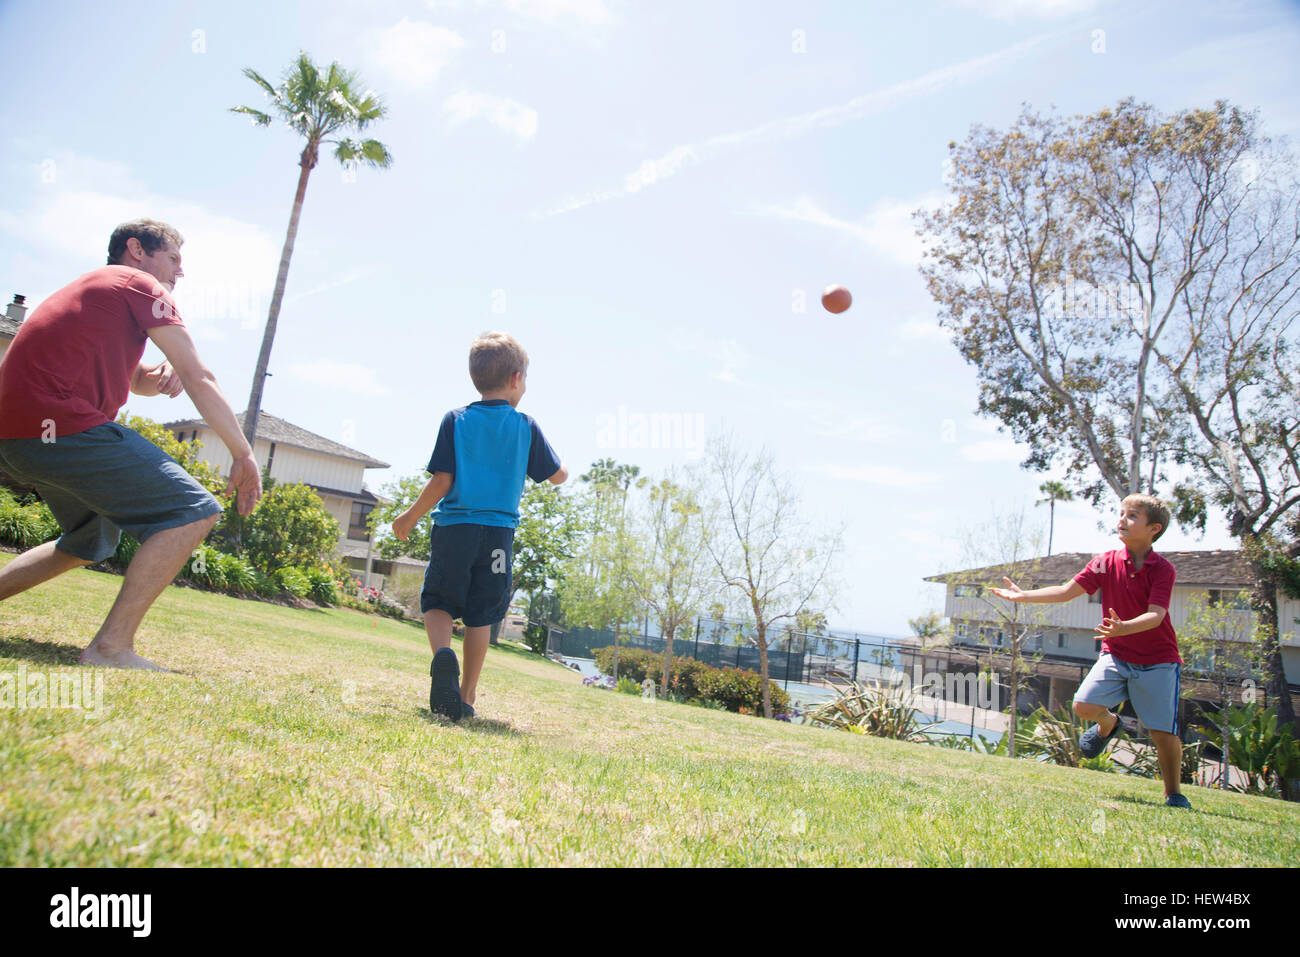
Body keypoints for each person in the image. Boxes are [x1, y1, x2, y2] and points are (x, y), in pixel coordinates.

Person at [0, 219, 262, 670]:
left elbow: (133, 379)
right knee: (193, 509)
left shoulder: (99, 290)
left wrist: (151, 381)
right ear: (137, 250)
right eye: (174, 259)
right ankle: (110, 648)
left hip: (22, 435)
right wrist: (243, 453)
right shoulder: (137, 282)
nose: (180, 272)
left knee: (90, 539)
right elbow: (199, 376)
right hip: (62, 426)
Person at [392, 331, 566, 722]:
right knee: (481, 615)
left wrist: (410, 515)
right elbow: (556, 476)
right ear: (517, 378)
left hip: (455, 528)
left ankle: (442, 656)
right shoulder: (526, 425)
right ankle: (467, 696)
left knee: (437, 602)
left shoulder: (456, 420)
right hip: (498, 537)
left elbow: (442, 480)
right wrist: (563, 469)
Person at [991, 494, 1192, 809]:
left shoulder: (1162, 570)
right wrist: (1023, 596)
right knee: (1083, 705)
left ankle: (1174, 794)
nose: (1122, 520)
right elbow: (1066, 591)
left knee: (1161, 733)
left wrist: (1124, 626)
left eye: (1132, 516)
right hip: (1116, 654)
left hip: (1158, 661)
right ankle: (1108, 724)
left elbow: (1157, 615)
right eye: (1121, 513)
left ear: (1154, 528)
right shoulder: (1104, 562)